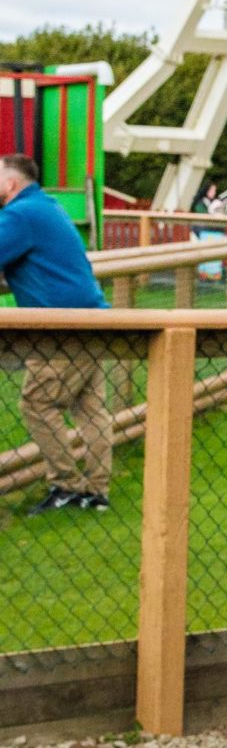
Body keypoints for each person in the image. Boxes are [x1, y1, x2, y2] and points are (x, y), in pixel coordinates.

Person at [0, 152, 113, 514]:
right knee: (90, 409)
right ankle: (96, 492)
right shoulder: (47, 206)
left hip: (62, 328)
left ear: (10, 183)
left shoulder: (20, 215)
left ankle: (65, 485)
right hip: (92, 319)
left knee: (37, 403)